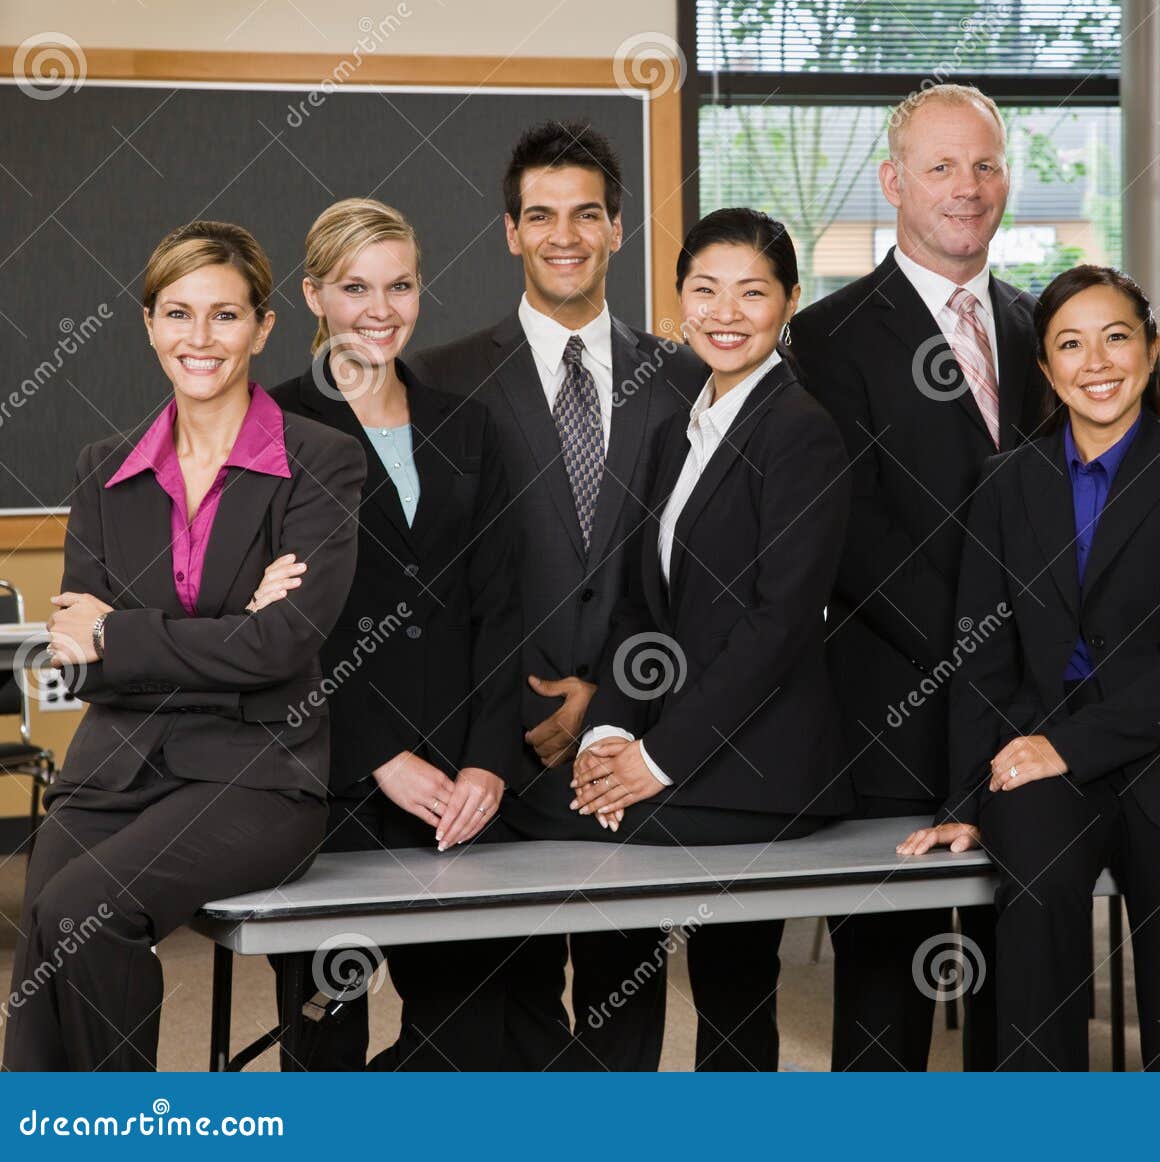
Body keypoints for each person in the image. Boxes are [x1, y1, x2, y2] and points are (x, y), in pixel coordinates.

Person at [2, 221, 364, 1071]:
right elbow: (82, 664)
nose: (200, 337)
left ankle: (132, 1128)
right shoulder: (104, 469)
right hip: (113, 769)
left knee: (88, 909)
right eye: (178, 313)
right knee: (45, 936)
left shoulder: (320, 461)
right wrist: (227, 633)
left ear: (262, 328)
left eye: (225, 315)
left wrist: (121, 632)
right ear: (149, 324)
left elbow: (282, 646)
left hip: (256, 777)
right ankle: (42, 1128)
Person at [900, 265, 1160, 1070]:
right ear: (1044, 367)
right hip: (1040, 755)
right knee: (1034, 974)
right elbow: (982, 657)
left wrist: (1067, 746)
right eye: (1070, 344)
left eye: (1116, 338)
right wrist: (965, 798)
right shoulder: (1004, 483)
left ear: (1153, 350)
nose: (1096, 362)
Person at [515, 206, 852, 1071]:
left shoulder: (801, 430)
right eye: (705, 290)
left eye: (753, 293)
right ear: (679, 299)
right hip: (681, 746)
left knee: (729, 977)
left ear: (790, 302)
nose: (726, 313)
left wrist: (655, 761)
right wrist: (608, 733)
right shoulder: (679, 427)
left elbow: (780, 627)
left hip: (764, 767)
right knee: (602, 846)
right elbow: (643, 613)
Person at [413, 120, 705, 1071]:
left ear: (619, 227)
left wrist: (607, 701)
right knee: (506, 1012)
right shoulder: (440, 379)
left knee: (626, 1005)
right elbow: (431, 583)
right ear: (511, 232)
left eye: (587, 214)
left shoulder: (685, 379)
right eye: (541, 216)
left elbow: (695, 580)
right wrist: (520, 703)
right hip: (491, 745)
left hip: (629, 740)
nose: (564, 235)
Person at [788, 83, 1045, 1070]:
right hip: (892, 719)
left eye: (984, 165)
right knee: (882, 1016)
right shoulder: (828, 336)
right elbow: (854, 534)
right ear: (893, 183)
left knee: (1017, 996)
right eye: (941, 167)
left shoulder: (1042, 326)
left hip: (1029, 727)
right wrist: (991, 651)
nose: (966, 187)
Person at [266, 197, 534, 1070]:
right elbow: (279, 626)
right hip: (331, 778)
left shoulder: (468, 424)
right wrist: (378, 754)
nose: (380, 310)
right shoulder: (271, 428)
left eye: (401, 286)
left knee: (466, 1042)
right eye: (355, 287)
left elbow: (501, 607)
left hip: (459, 785)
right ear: (313, 294)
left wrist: (487, 761)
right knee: (327, 1035)